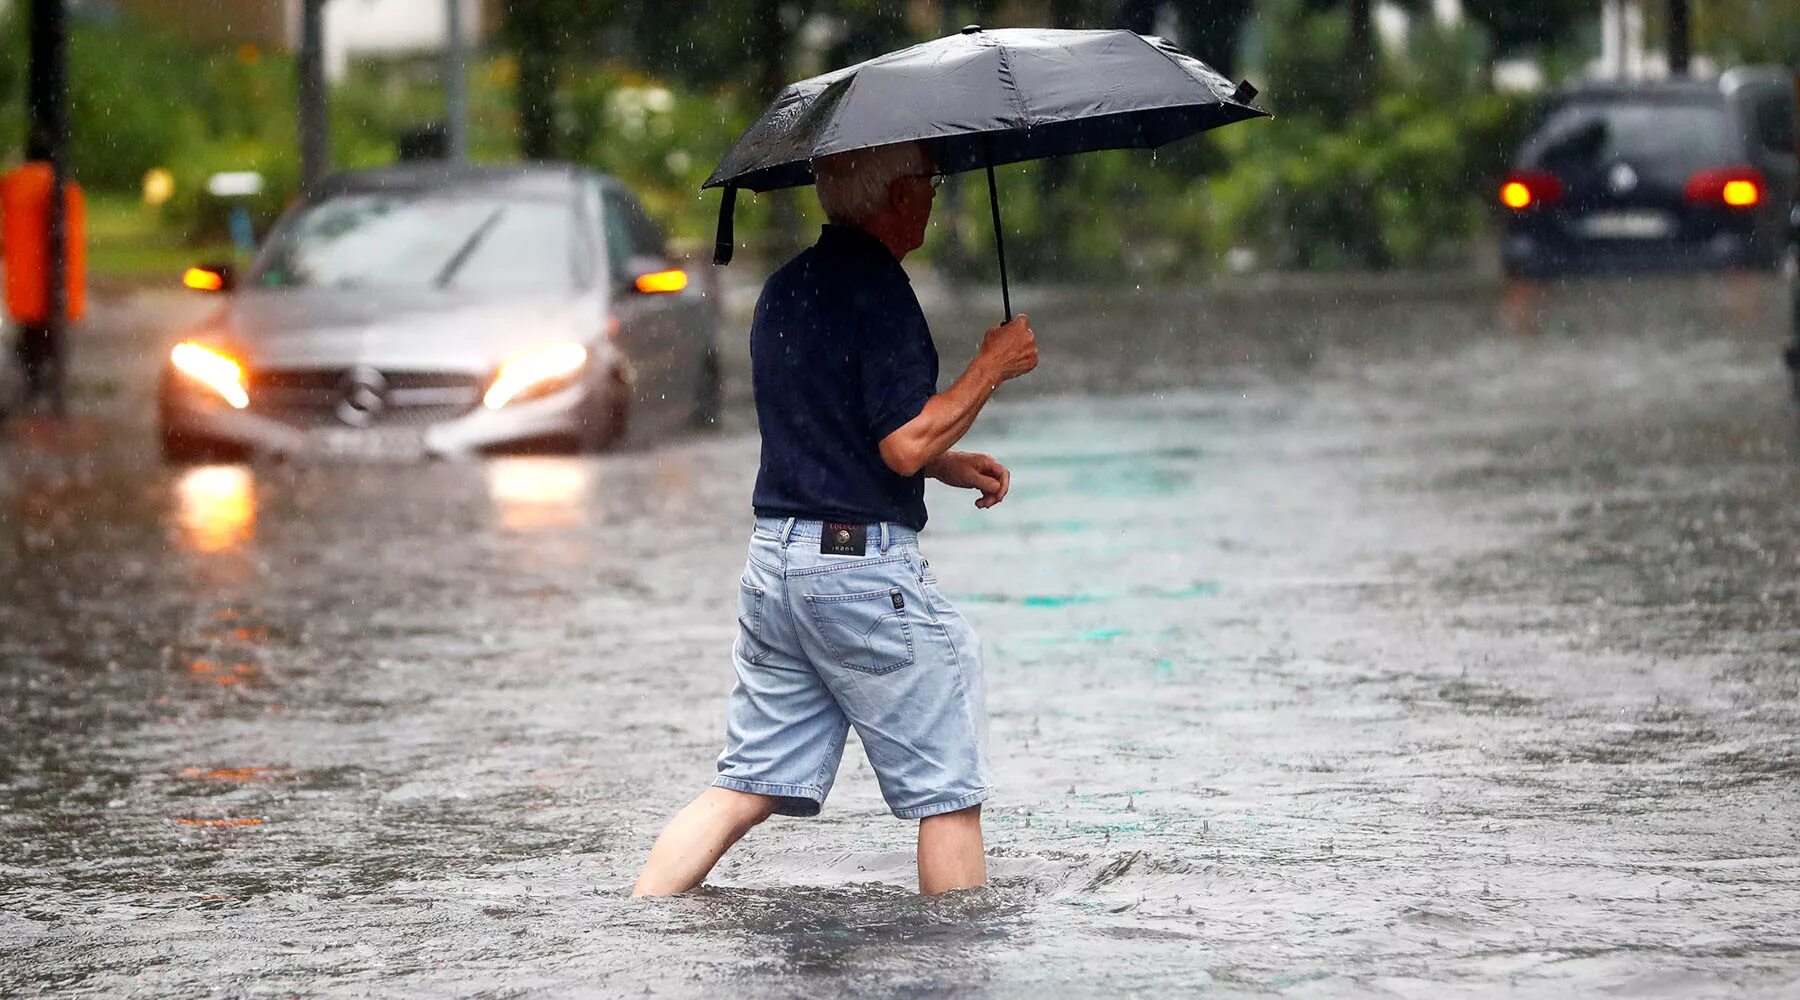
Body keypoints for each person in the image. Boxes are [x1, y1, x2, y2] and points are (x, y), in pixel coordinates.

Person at [632, 141, 1038, 897]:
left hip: (776, 568)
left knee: (743, 784)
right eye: (926, 179)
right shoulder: (881, 292)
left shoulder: (786, 288)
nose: (934, 191)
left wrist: (946, 463)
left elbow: (828, 425)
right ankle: (958, 964)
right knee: (950, 789)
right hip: (856, 573)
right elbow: (902, 442)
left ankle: (637, 918)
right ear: (893, 196)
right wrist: (992, 367)